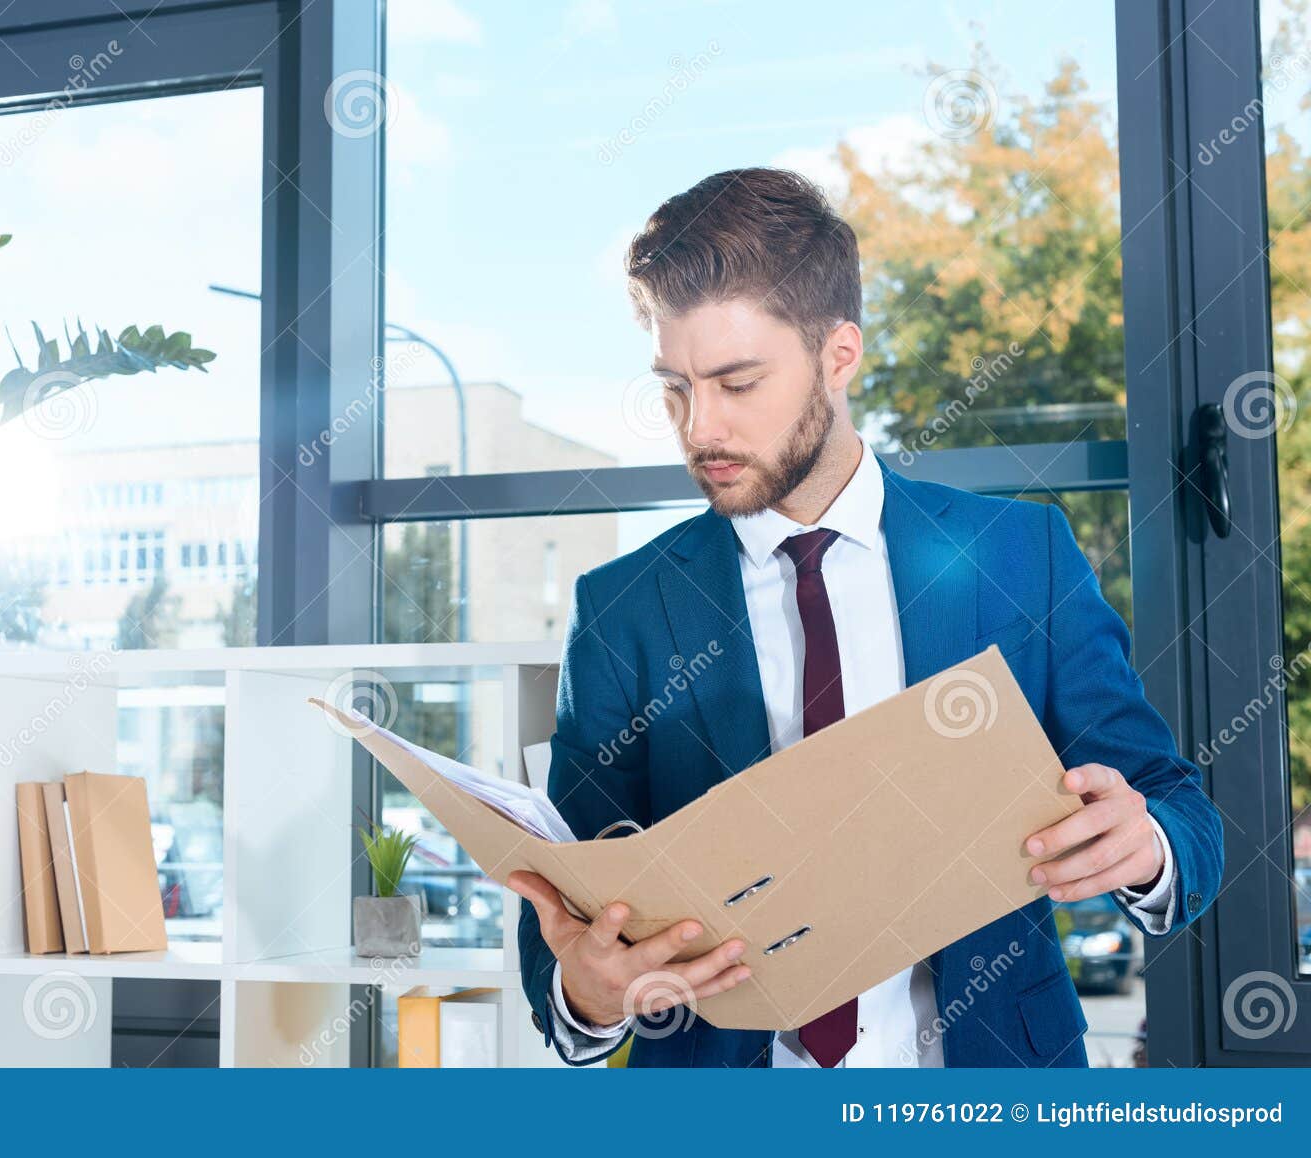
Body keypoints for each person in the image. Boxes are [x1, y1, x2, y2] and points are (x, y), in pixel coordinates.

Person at [508, 168, 1224, 1068]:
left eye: (737, 383)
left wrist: (1146, 842)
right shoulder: (618, 609)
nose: (699, 430)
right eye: (675, 389)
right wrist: (586, 993)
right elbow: (567, 915)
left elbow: (1178, 805)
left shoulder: (1019, 555)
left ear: (839, 355)